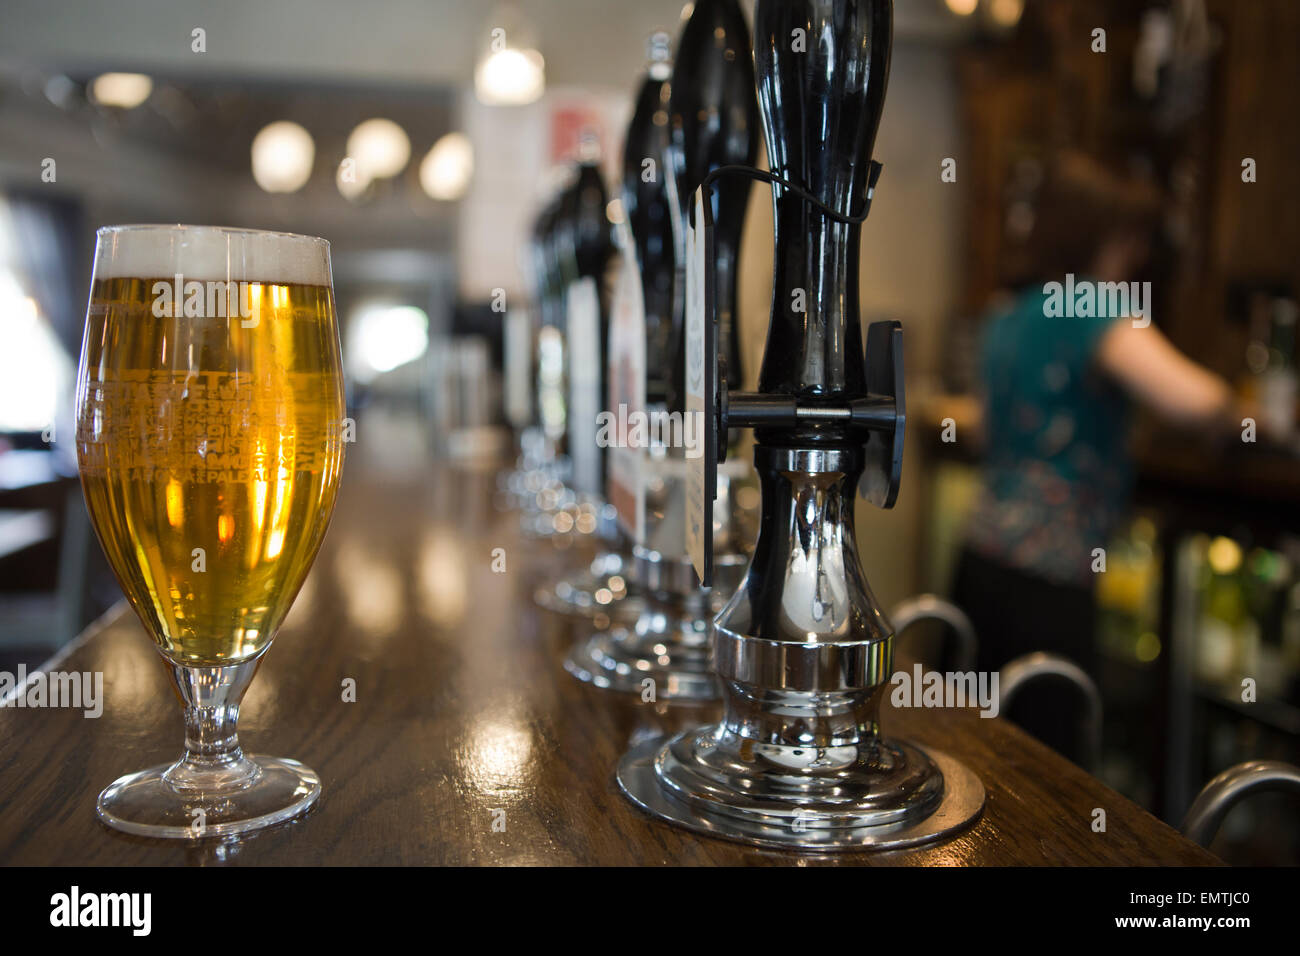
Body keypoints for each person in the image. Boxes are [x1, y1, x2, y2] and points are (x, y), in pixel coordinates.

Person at [953, 151, 1249, 758]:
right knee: (1050, 777)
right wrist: (1251, 416)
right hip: (1051, 581)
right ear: (1103, 237)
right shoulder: (1090, 305)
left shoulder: (1007, 315)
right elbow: (1193, 400)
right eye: (1128, 240)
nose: (1135, 258)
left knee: (975, 762)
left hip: (979, 566)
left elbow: (984, 431)